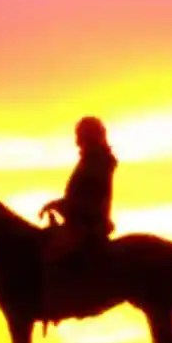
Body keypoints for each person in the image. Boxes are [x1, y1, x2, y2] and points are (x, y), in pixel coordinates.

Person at [40, 117, 118, 308]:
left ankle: (59, 300)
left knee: (48, 253)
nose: (77, 140)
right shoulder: (92, 160)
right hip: (81, 220)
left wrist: (62, 205)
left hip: (88, 224)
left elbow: (89, 198)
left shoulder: (96, 161)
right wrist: (60, 204)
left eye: (80, 135)